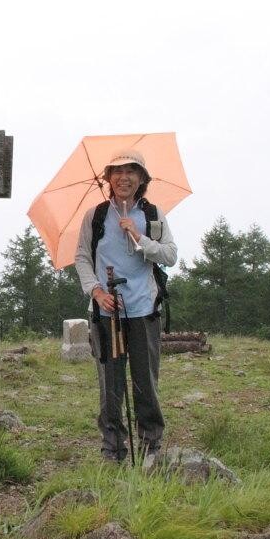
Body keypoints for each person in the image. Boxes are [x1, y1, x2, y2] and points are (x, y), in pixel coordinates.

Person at [74, 148, 178, 470]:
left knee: (146, 381)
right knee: (111, 384)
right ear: (108, 178)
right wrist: (96, 292)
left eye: (132, 171)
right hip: (106, 313)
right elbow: (82, 258)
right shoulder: (95, 216)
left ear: (142, 179)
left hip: (143, 310)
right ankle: (113, 450)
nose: (124, 177)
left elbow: (170, 256)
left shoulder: (152, 215)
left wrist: (140, 237)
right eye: (117, 171)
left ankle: (151, 447)